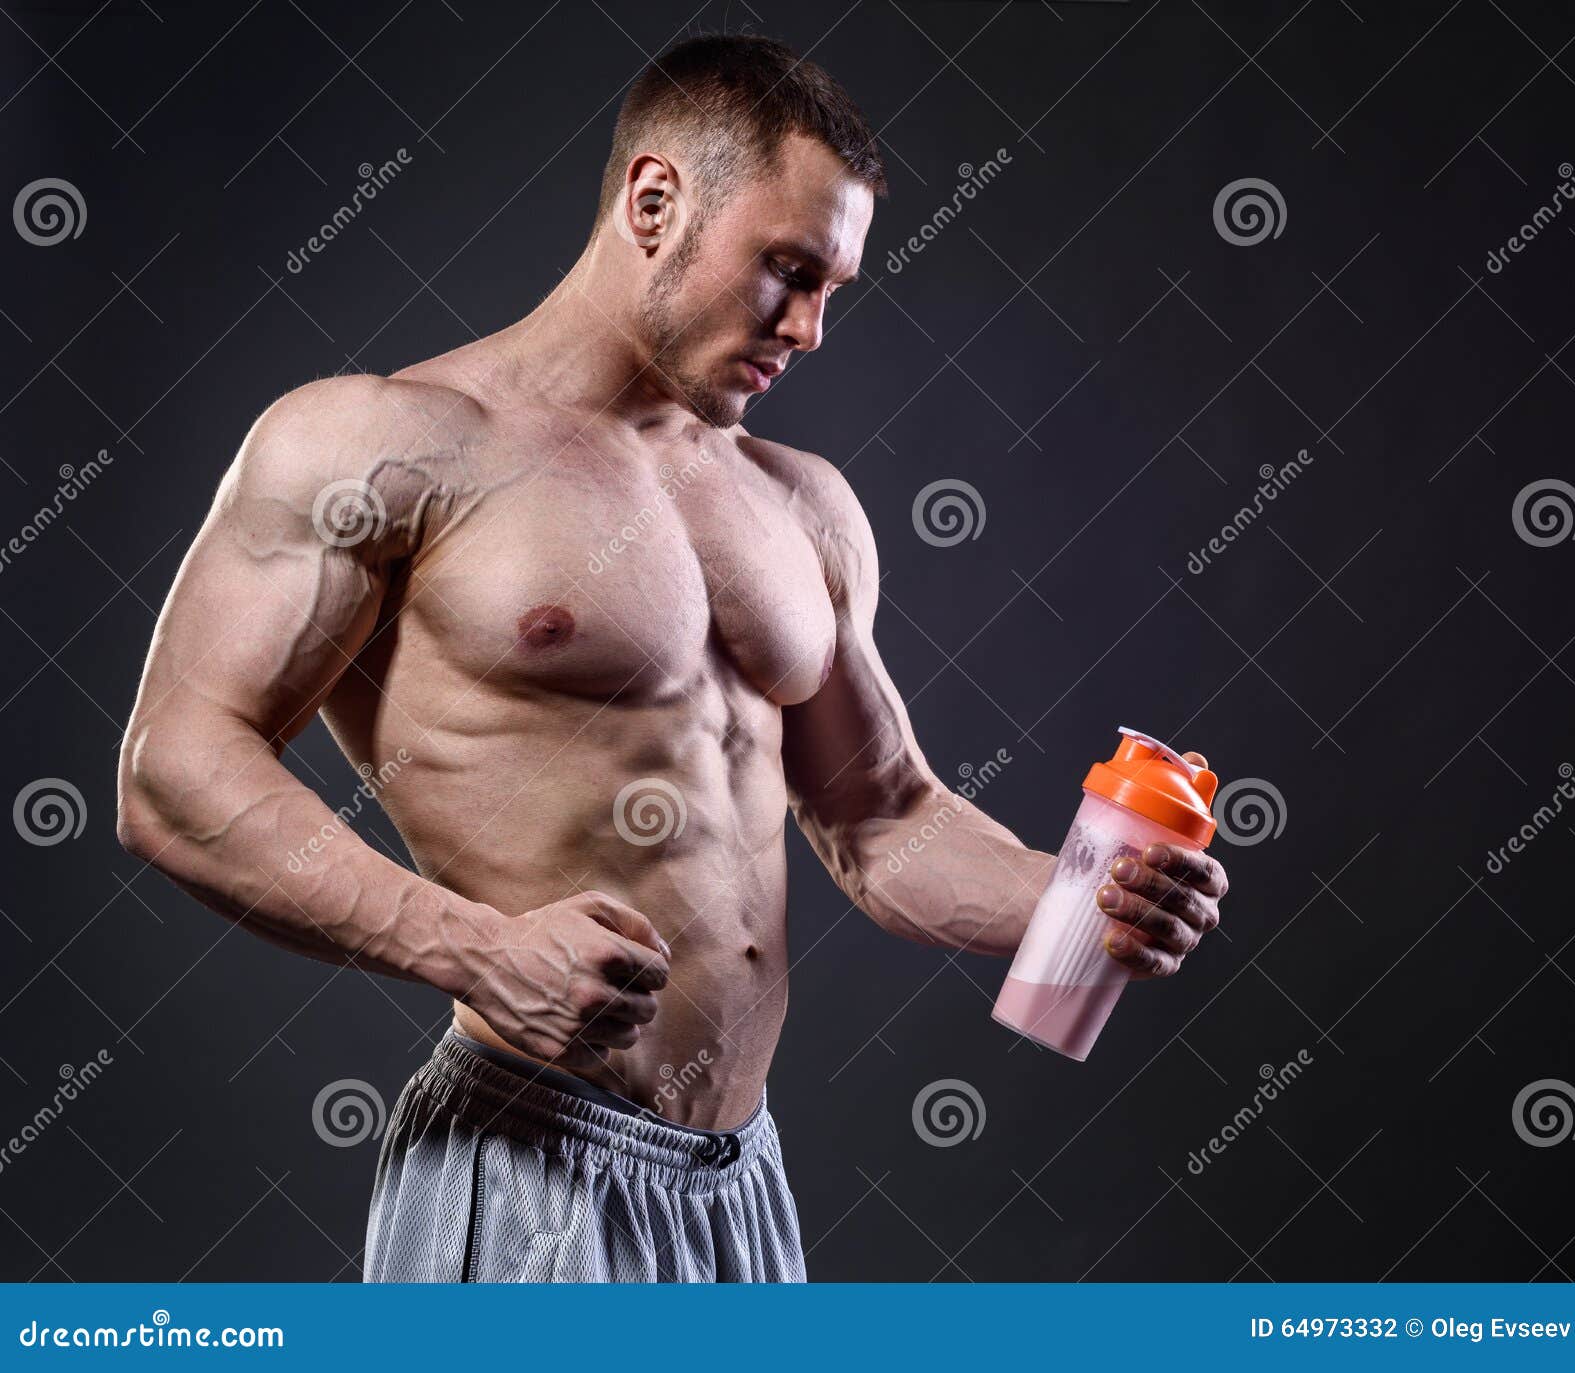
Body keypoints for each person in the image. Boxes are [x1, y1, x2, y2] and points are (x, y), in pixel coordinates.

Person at [116, 33, 1227, 1283]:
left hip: (741, 1182)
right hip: (525, 1154)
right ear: (655, 202)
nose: (809, 328)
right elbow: (176, 768)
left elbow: (880, 814)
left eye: (833, 289)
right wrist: (468, 946)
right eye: (787, 271)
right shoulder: (385, 444)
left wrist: (1072, 897)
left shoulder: (801, 504)